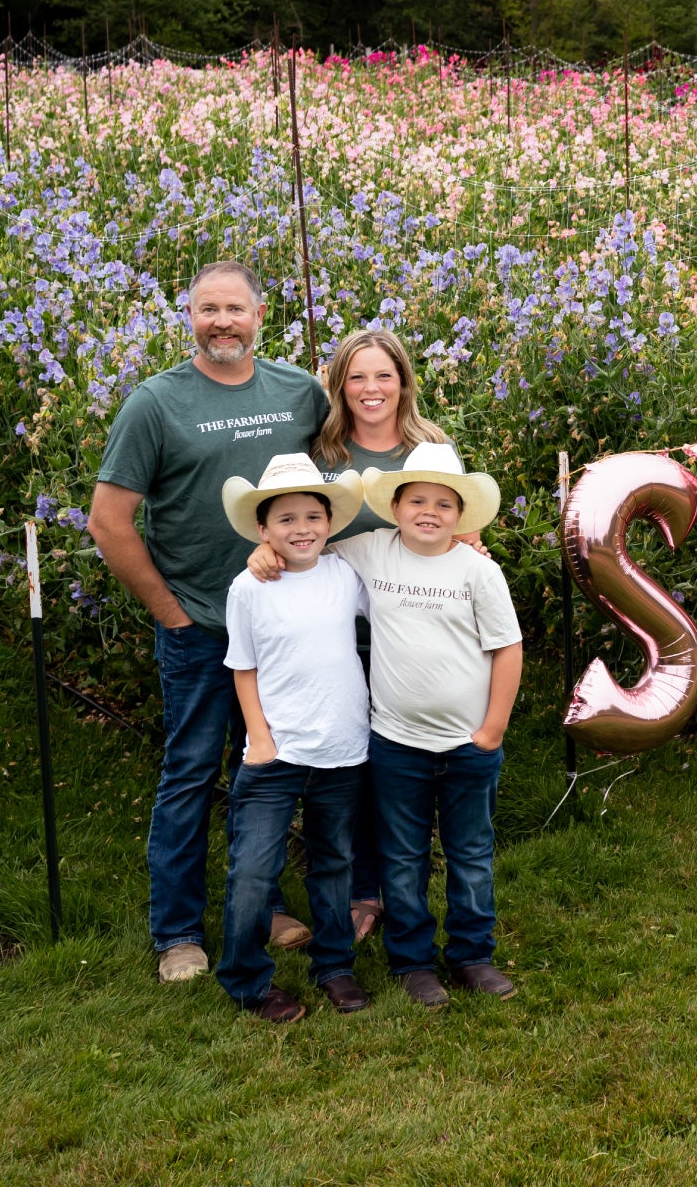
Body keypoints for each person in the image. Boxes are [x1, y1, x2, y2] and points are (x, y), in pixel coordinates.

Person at [87, 260, 330, 985]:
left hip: (286, 628)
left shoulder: (299, 393)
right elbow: (108, 521)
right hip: (200, 627)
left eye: (234, 308)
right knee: (192, 773)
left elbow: (352, 476)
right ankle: (179, 935)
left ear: (261, 315)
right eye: (206, 309)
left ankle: (264, 908)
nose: (221, 321)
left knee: (269, 770)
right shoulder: (156, 404)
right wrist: (174, 616)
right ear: (188, 317)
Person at [253, 439, 521, 1006]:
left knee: (470, 852)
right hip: (396, 742)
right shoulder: (371, 550)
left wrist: (491, 730)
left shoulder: (477, 571)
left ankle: (473, 953)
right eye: (416, 500)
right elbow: (307, 547)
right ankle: (412, 960)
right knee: (402, 856)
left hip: (469, 742)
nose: (429, 512)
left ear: (462, 515)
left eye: (444, 505)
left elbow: (507, 649)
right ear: (394, 507)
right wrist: (265, 555)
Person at [213, 456, 374, 1021]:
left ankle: (334, 967)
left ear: (330, 523)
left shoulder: (345, 575)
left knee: (333, 863)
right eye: (285, 518)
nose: (300, 527)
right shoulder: (249, 587)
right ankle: (245, 979)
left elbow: (402, 583)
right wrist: (258, 737)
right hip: (274, 752)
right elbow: (243, 666)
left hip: (343, 746)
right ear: (262, 529)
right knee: (254, 867)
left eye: (312, 515)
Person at [310, 328, 455, 947]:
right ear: (340, 384)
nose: (371, 389)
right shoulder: (321, 455)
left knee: (403, 762)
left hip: (413, 631)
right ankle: (361, 890)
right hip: (339, 632)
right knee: (354, 763)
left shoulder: (431, 447)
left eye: (384, 376)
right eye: (358, 377)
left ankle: (404, 890)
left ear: (403, 382)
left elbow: (455, 524)